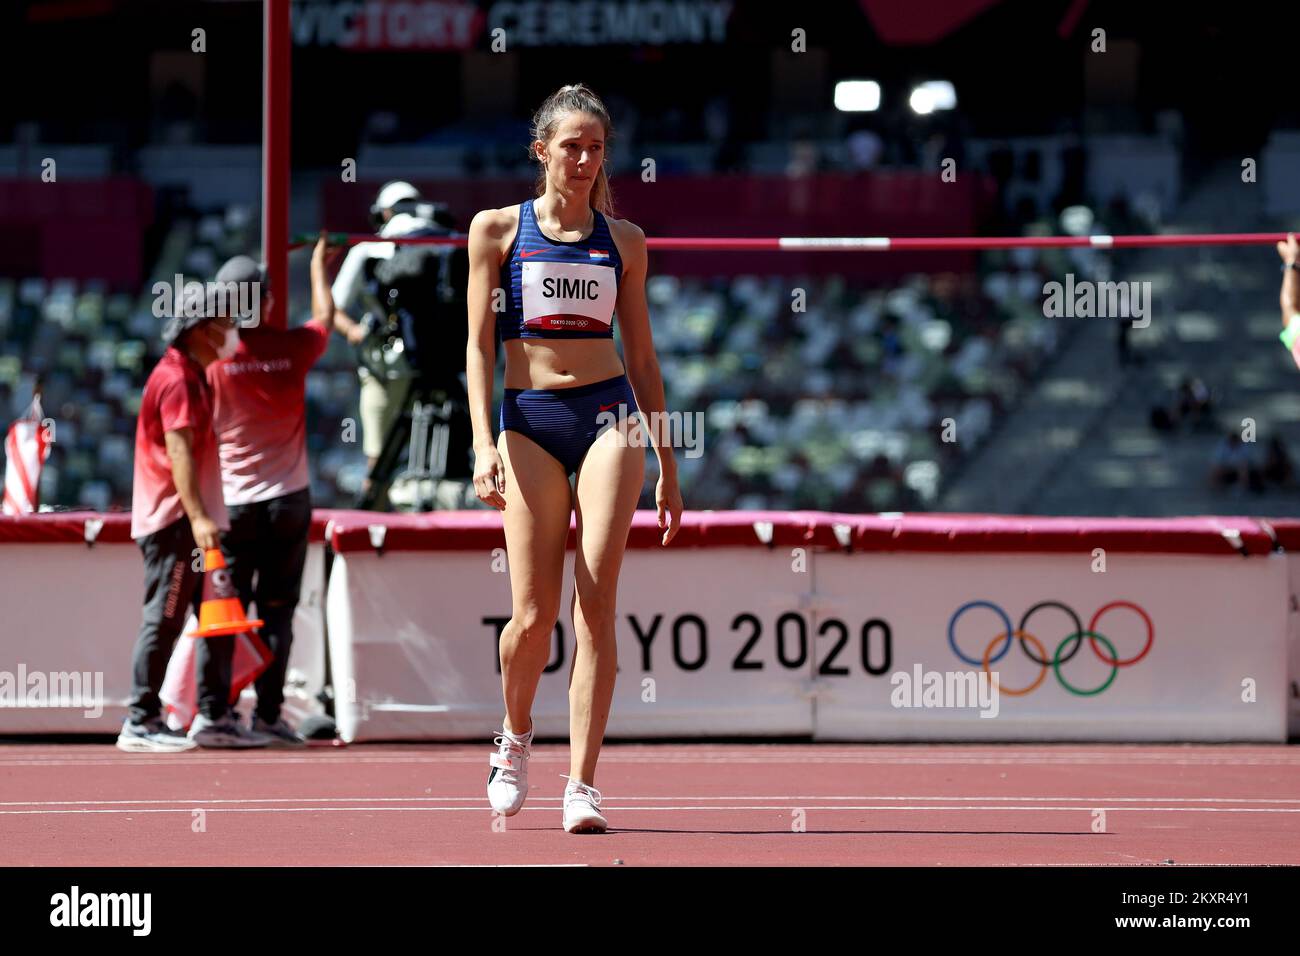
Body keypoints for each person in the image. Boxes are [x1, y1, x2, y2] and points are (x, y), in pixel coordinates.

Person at [466, 84, 683, 833]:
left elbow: (646, 361)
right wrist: (480, 438)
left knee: (595, 602)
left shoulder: (624, 240)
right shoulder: (496, 231)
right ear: (542, 151)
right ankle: (515, 739)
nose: (586, 159)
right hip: (527, 421)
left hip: (609, 418)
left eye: (597, 147)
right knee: (531, 617)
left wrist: (669, 465)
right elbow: (477, 346)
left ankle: (582, 783)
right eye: (572, 146)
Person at [204, 243, 343, 745]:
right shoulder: (294, 347)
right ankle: (267, 714)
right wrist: (316, 268)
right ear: (264, 304)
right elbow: (324, 317)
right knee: (277, 611)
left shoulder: (213, 364)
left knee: (227, 611)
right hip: (288, 501)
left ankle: (215, 712)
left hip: (235, 506)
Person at [117, 289, 265, 751]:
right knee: (163, 617)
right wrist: (198, 517)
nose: (231, 330)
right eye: (224, 321)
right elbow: (178, 451)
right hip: (176, 522)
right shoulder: (179, 379)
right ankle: (141, 719)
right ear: (203, 329)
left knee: (215, 619)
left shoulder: (194, 374)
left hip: (192, 522)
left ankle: (214, 715)